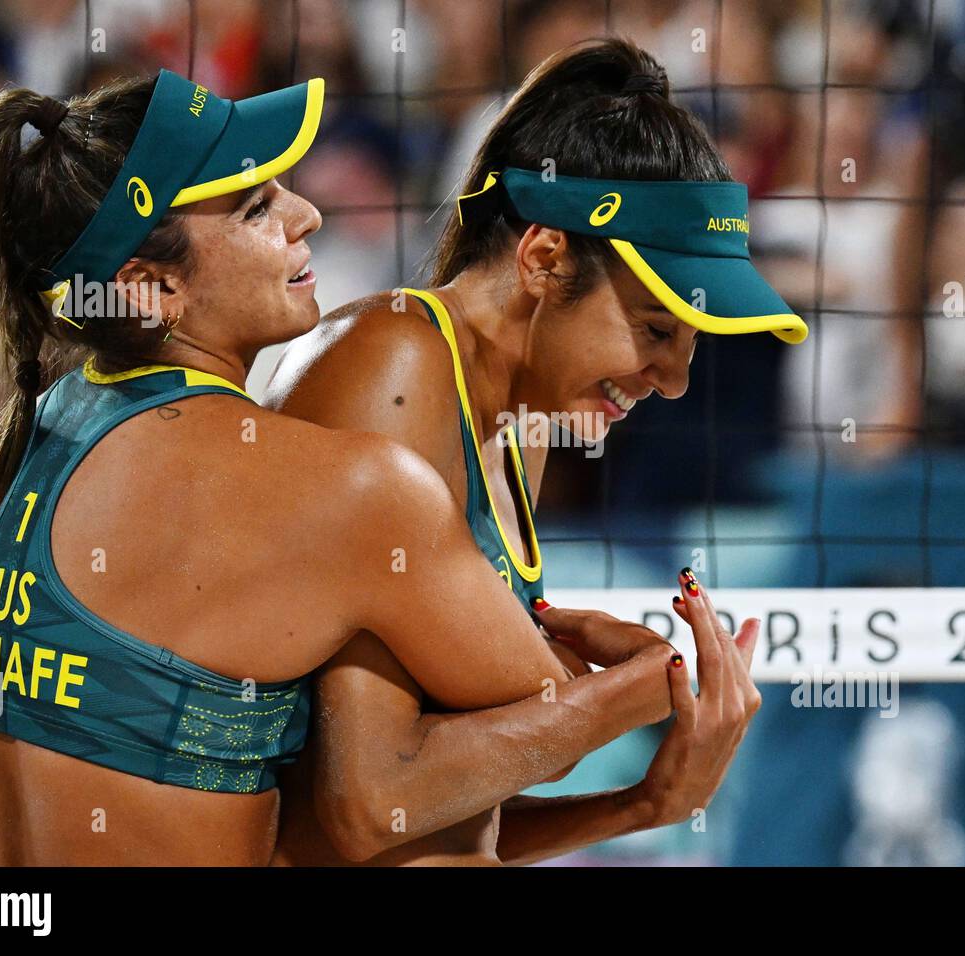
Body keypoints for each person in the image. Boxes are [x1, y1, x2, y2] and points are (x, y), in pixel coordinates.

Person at [0, 67, 682, 866]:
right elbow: (541, 710)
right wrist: (649, 683)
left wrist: (634, 799)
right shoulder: (340, 486)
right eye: (257, 208)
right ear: (149, 288)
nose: (307, 213)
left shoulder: (11, 464)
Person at [267, 38, 803, 865]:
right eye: (657, 329)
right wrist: (629, 695)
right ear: (545, 258)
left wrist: (643, 803)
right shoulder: (394, 368)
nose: (674, 381)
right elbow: (369, 807)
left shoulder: (522, 423)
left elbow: (448, 817)